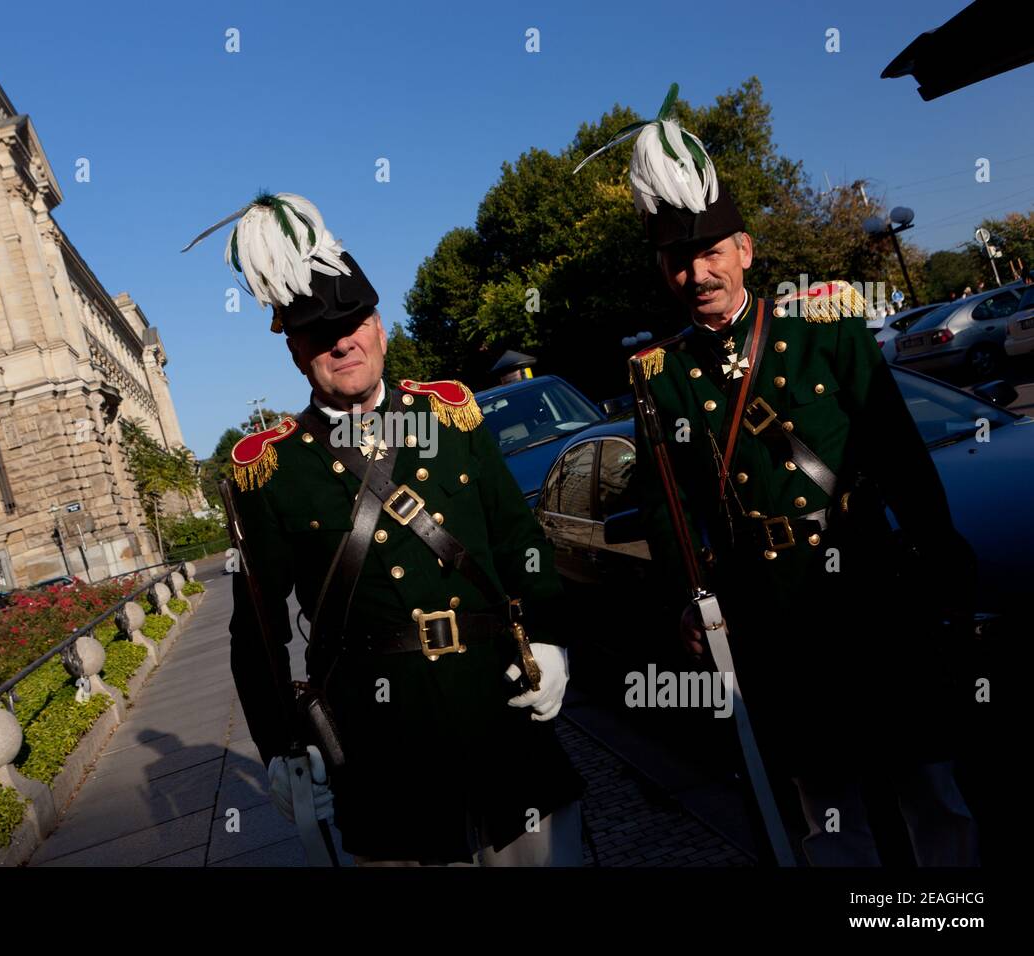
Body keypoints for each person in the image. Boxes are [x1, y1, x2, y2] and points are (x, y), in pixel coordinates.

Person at [580, 93, 980, 866]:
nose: (698, 273)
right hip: (771, 618)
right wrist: (688, 599)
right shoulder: (657, 375)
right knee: (825, 805)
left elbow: (898, 455)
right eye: (678, 261)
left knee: (930, 787)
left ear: (747, 251)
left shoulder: (823, 332)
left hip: (868, 589)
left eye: (713, 252)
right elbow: (667, 505)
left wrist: (940, 550)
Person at [187, 193, 585, 865]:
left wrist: (548, 639)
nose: (341, 340)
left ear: (379, 326)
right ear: (293, 350)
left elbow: (521, 543)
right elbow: (257, 635)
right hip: (384, 754)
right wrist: (283, 749)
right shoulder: (272, 472)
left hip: (501, 717)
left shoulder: (451, 418)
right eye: (318, 332)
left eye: (352, 320)